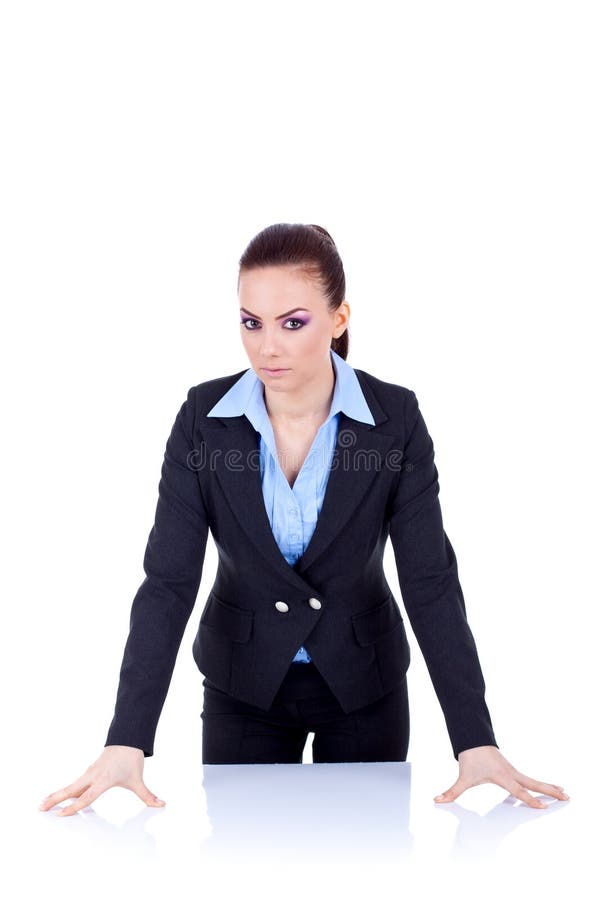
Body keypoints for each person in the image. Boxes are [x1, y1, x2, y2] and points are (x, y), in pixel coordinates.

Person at [39, 223, 569, 816]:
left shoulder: (395, 418)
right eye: (251, 322)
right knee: (249, 864)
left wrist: (475, 737)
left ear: (339, 318)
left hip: (366, 684)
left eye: (293, 322)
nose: (268, 347)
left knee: (367, 861)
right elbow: (168, 581)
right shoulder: (201, 419)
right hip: (243, 686)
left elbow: (430, 579)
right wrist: (126, 737)